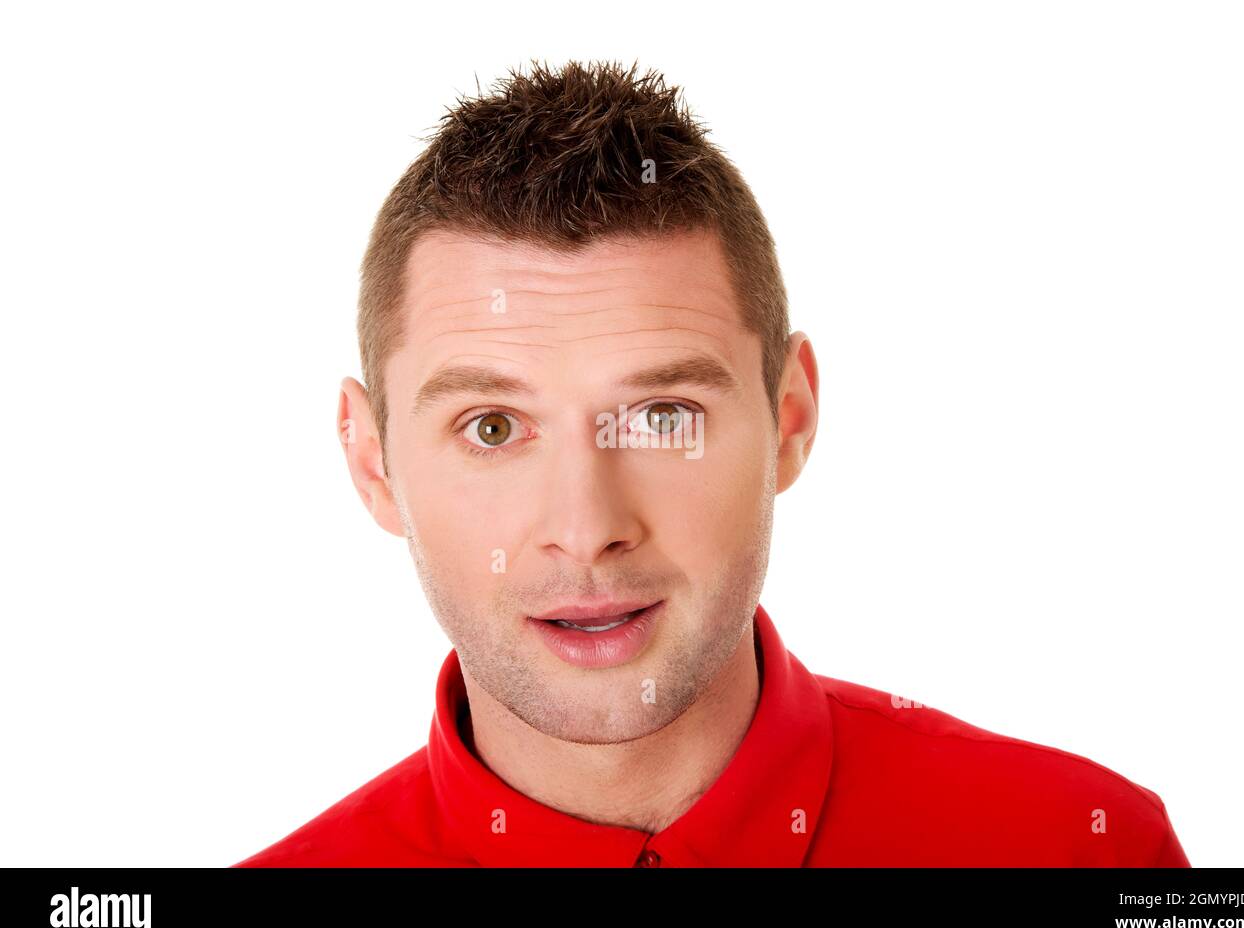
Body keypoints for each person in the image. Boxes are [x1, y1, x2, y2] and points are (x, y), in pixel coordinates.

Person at [234, 59, 1190, 867]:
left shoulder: (1085, 848)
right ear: (372, 463)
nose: (587, 525)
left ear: (790, 417)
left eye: (659, 415)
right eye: (492, 427)